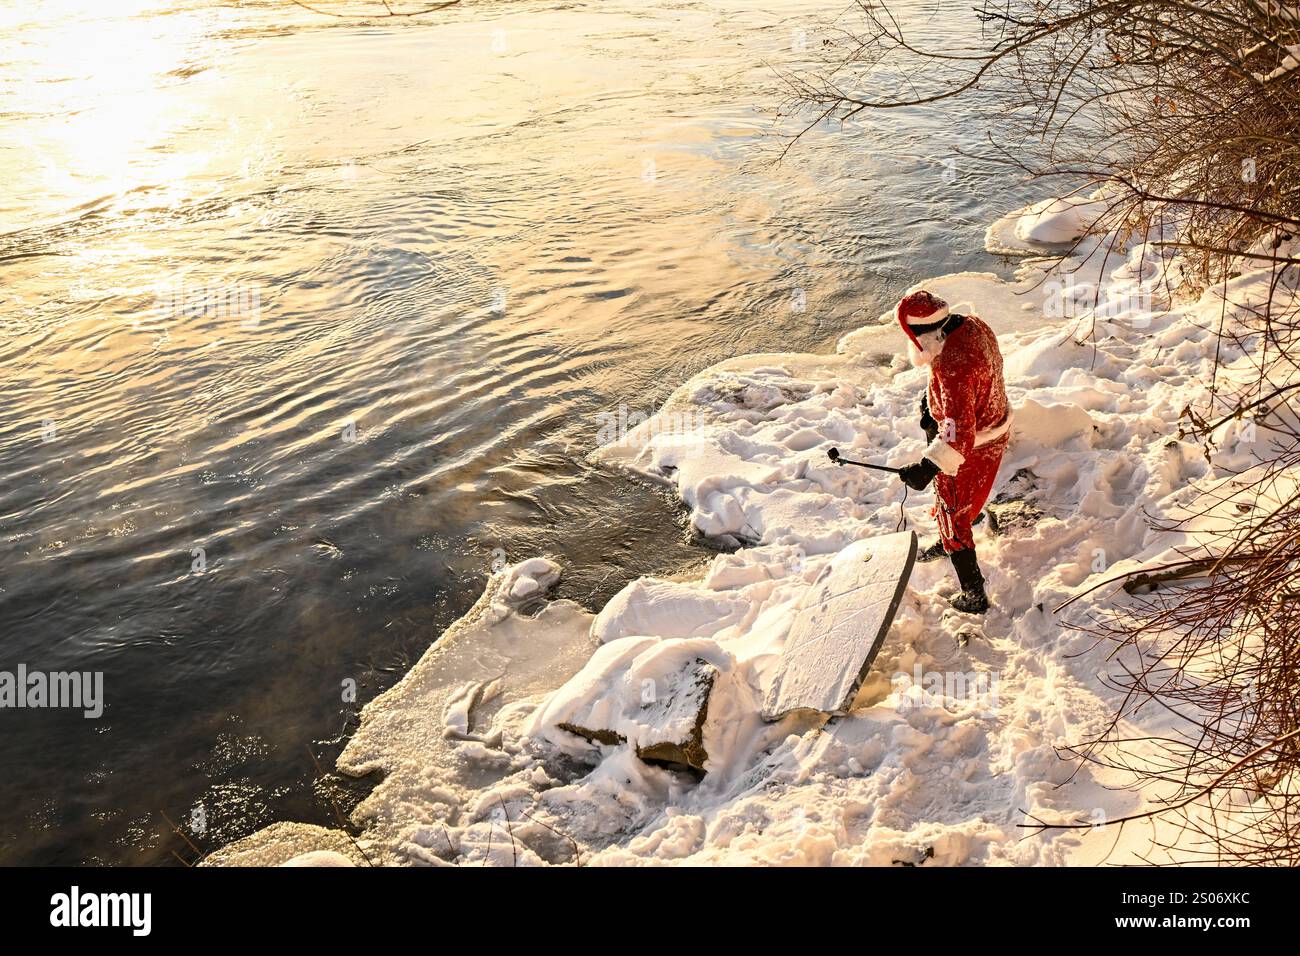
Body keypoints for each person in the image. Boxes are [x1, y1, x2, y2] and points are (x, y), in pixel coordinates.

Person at [893, 290, 1012, 614]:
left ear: (923, 336)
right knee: (963, 503)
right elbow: (966, 391)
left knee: (952, 510)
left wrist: (927, 468)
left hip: (974, 447)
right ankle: (950, 542)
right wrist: (929, 406)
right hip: (994, 424)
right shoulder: (971, 325)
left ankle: (974, 594)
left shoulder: (952, 367)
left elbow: (959, 435)